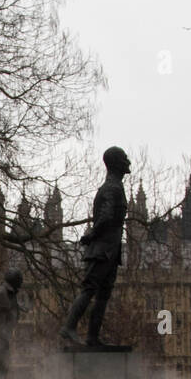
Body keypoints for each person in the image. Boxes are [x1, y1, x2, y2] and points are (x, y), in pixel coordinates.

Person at [60, 147, 131, 348]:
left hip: (111, 251)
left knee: (103, 296)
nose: (129, 162)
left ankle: (93, 336)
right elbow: (106, 216)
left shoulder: (116, 186)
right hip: (102, 251)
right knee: (89, 290)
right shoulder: (112, 188)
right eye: (125, 159)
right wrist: (91, 235)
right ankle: (69, 327)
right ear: (116, 162)